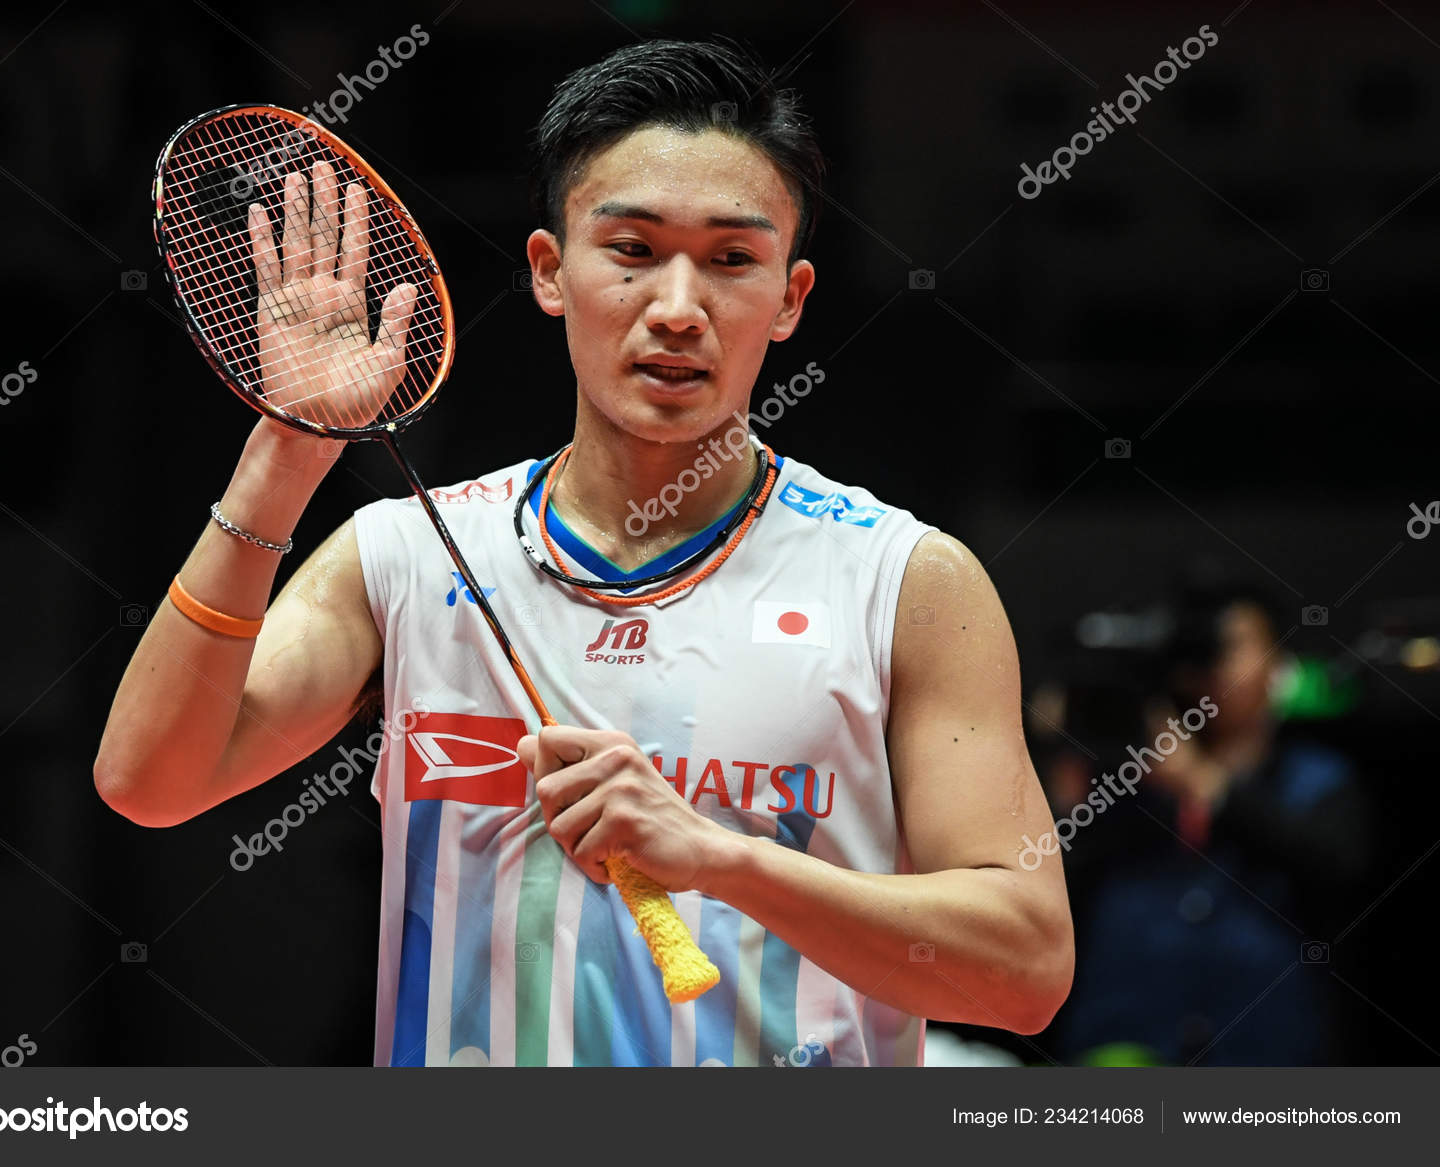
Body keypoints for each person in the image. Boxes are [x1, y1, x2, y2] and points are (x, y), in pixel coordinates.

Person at [93, 37, 1073, 1067]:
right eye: (633, 250)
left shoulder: (905, 583)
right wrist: (288, 446)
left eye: (733, 260)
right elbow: (151, 780)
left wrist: (718, 861)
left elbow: (1025, 971)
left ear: (789, 297)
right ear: (550, 273)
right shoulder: (405, 559)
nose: (679, 307)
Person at [1044, 580, 1373, 1064]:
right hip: (1119, 1045)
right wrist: (1065, 760)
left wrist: (1200, 780)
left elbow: (1338, 874)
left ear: (1279, 665)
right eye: (1202, 649)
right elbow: (1052, 875)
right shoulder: (1125, 776)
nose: (1215, 667)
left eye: (1233, 645)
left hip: (1266, 1054)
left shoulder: (1320, 778)